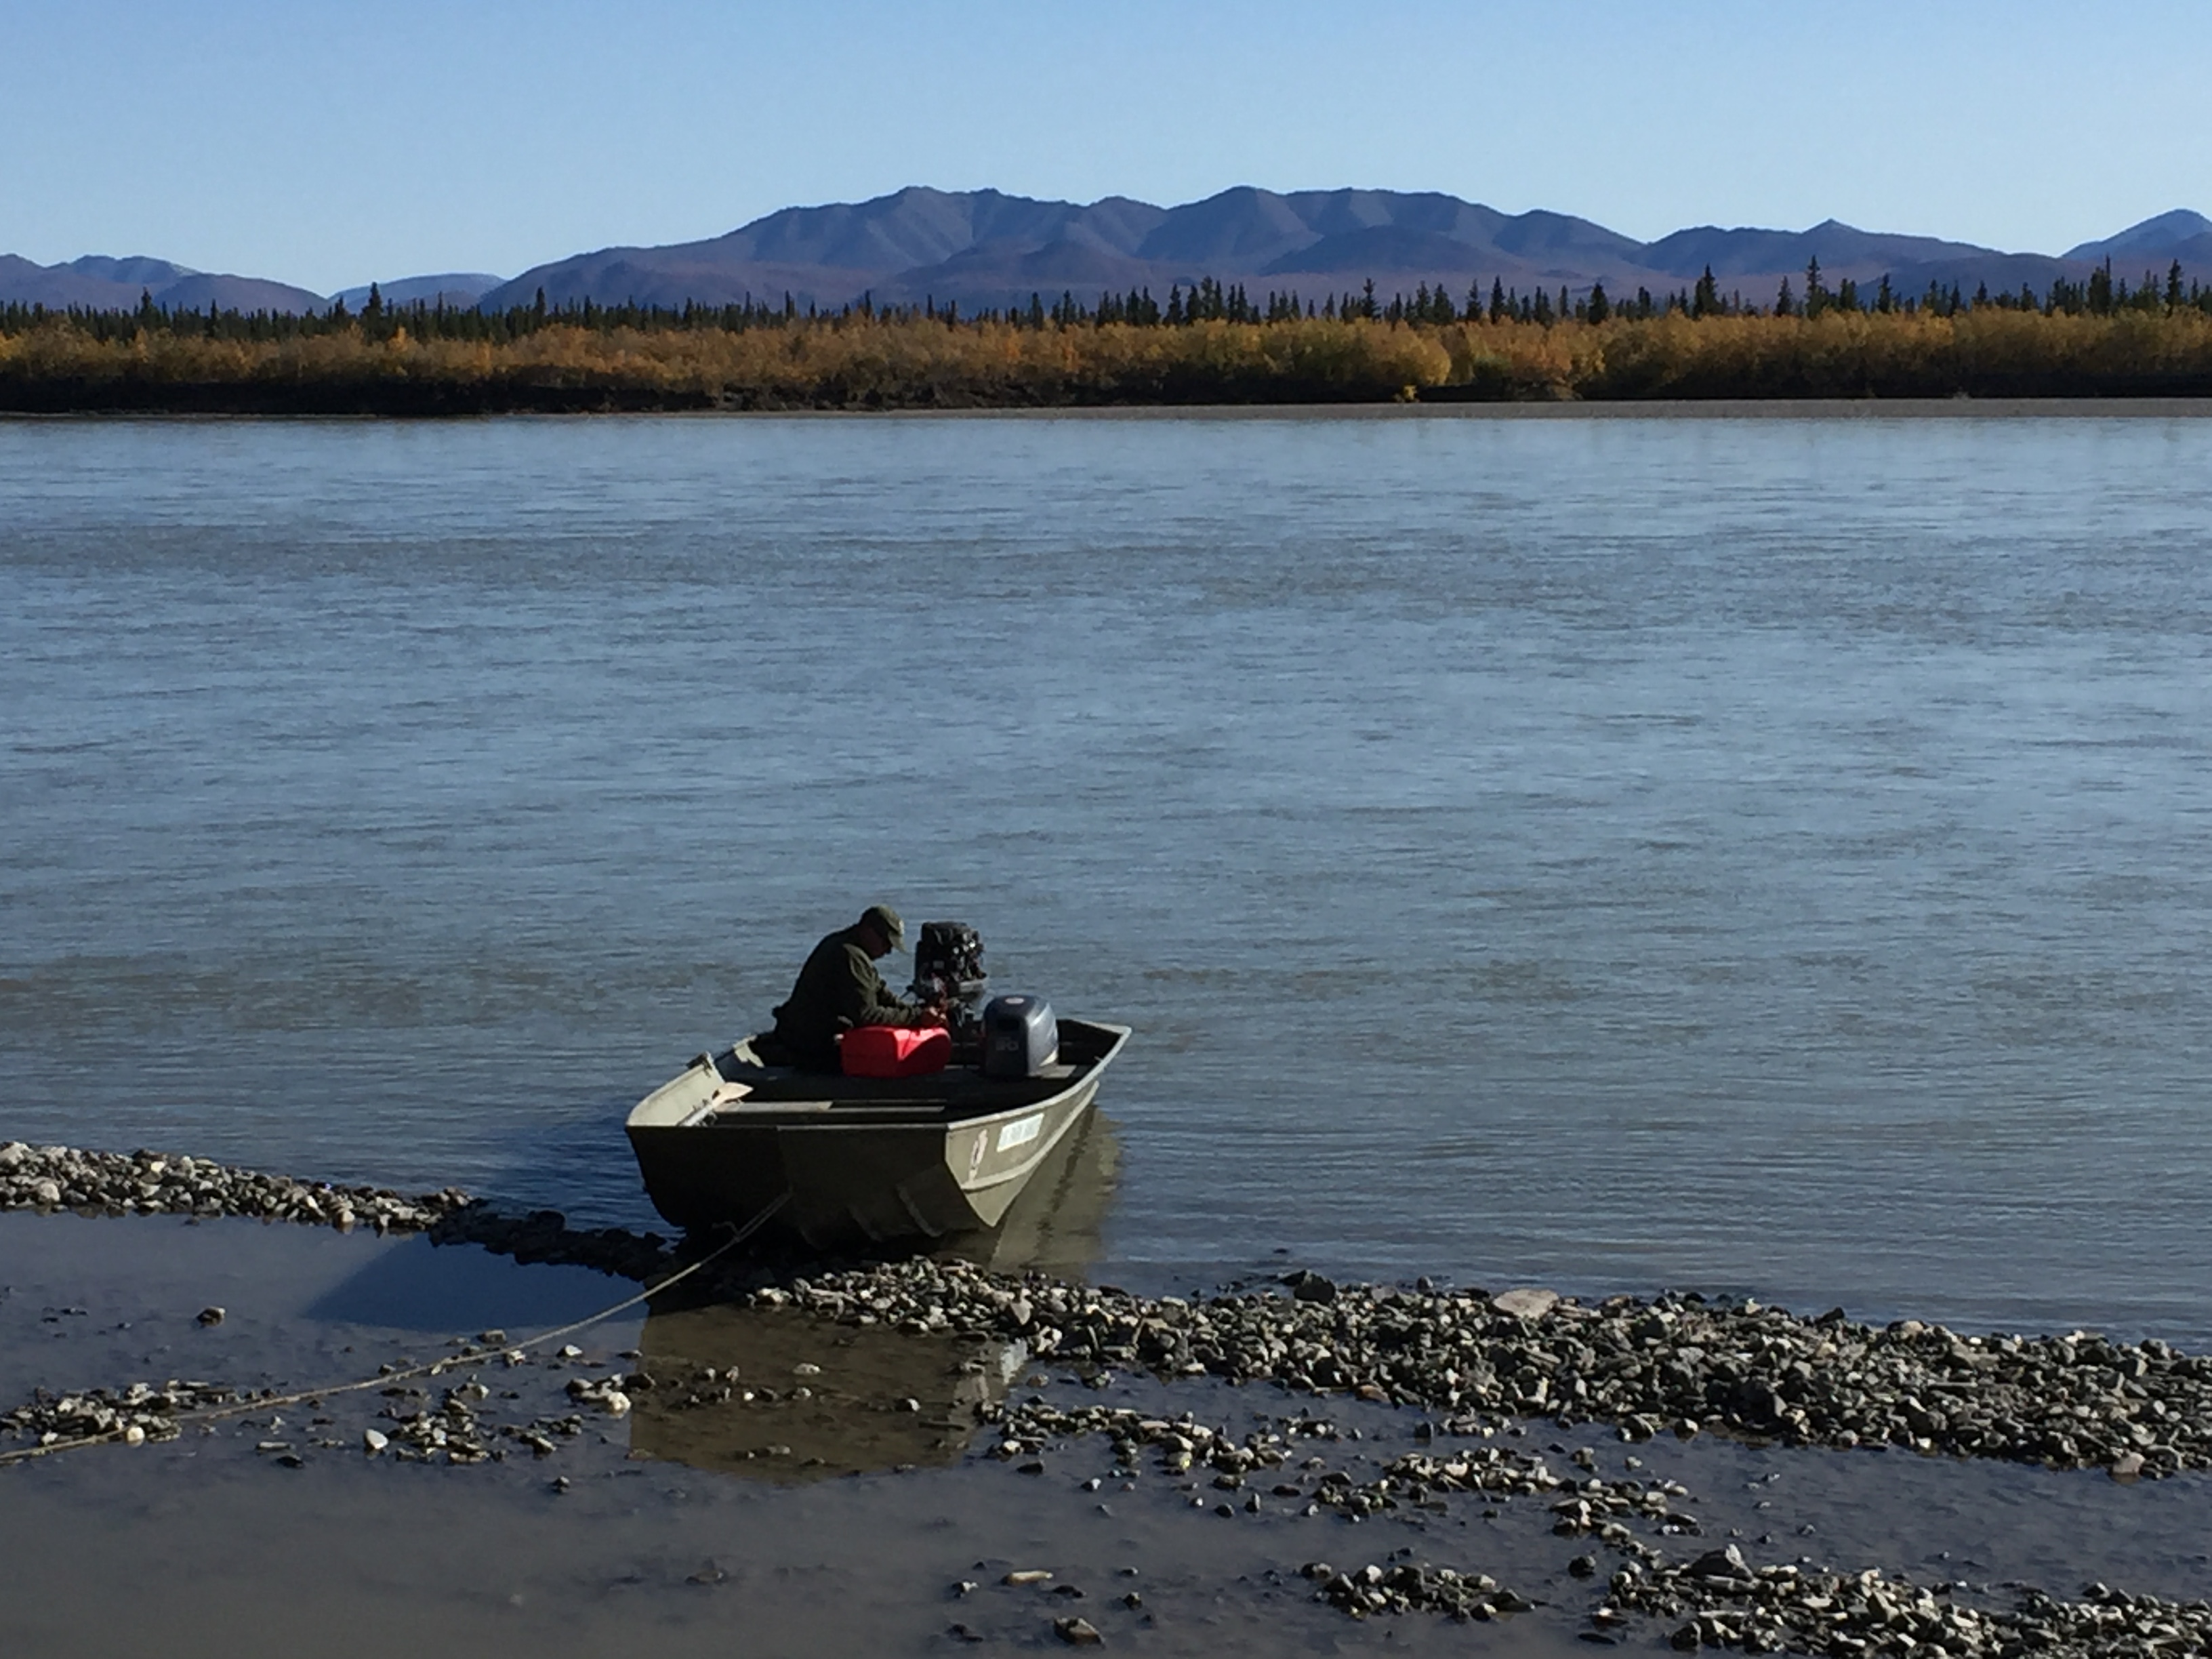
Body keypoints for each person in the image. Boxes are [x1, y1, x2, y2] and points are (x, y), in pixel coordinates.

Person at [766, 904, 943, 1071]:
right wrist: (916, 1018)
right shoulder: (850, 956)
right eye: (886, 943)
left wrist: (919, 1011)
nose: (888, 951)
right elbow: (867, 1015)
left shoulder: (851, 948)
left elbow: (881, 993)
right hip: (810, 1046)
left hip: (806, 1036)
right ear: (868, 931)